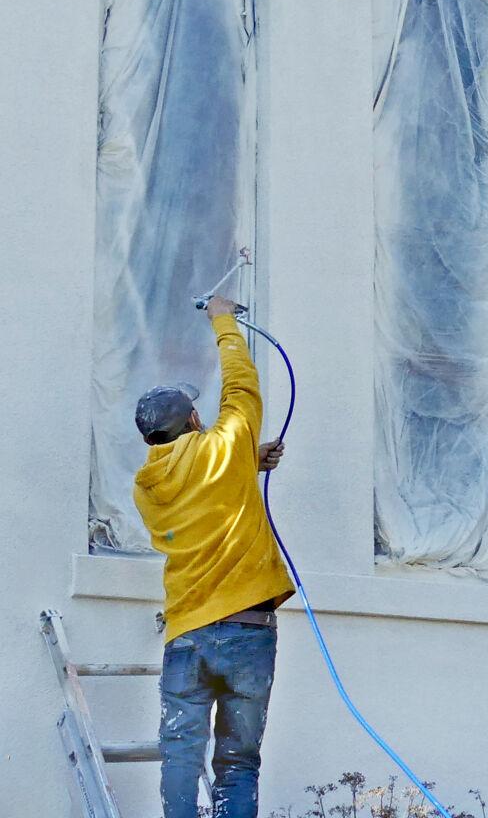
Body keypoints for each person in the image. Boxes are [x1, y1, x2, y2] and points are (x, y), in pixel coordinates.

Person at [132, 295, 295, 818]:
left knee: (180, 753)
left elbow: (202, 486)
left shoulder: (147, 485)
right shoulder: (222, 448)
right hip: (247, 630)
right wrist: (222, 319)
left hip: (188, 634)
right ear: (195, 417)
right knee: (237, 763)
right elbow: (242, 387)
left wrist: (246, 461)